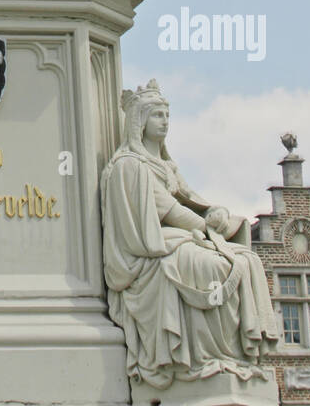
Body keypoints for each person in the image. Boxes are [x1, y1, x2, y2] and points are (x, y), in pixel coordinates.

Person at [100, 80, 278, 389]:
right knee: (215, 266)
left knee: (248, 259)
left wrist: (216, 214)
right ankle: (209, 354)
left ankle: (237, 357)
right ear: (139, 121)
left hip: (176, 238)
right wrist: (206, 228)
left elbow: (191, 199)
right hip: (148, 250)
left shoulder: (167, 165)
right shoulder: (130, 166)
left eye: (167, 115)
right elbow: (169, 211)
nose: (165, 122)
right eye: (157, 115)